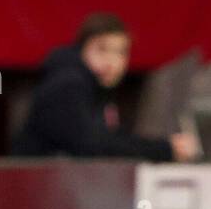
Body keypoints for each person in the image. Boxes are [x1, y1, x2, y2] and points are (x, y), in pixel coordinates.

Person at [12, 12, 199, 162]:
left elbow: (112, 139)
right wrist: (164, 149)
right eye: (102, 49)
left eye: (120, 52)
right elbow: (91, 145)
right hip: (35, 194)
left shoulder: (100, 91)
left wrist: (167, 147)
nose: (112, 61)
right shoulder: (67, 85)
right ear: (82, 49)